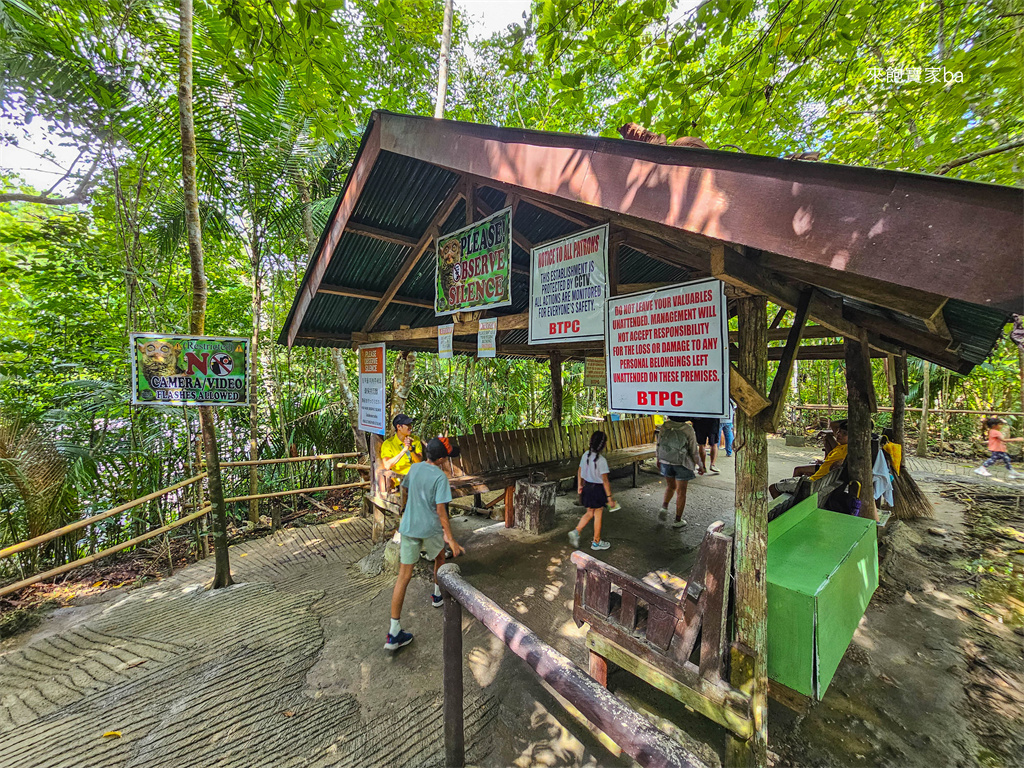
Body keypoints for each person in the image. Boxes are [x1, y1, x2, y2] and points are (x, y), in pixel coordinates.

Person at [385, 438, 465, 651]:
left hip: (409, 527)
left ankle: (394, 632)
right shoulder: (440, 476)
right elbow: (441, 512)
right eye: (446, 457)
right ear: (440, 459)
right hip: (430, 529)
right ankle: (438, 593)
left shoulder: (415, 468)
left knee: (404, 576)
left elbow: (408, 491)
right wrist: (451, 539)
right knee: (440, 558)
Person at [769, 419, 849, 498]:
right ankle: (794, 497)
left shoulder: (847, 449)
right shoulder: (841, 446)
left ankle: (790, 504)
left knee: (773, 487)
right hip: (819, 482)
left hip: (813, 484)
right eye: (839, 431)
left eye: (844, 433)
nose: (839, 434)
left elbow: (833, 424)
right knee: (785, 481)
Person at [568, 431, 616, 551]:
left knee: (590, 513)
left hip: (587, 487)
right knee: (598, 515)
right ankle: (596, 542)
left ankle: (576, 531)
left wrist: (579, 485)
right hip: (598, 490)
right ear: (603, 445)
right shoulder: (602, 460)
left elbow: (580, 471)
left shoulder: (586, 455)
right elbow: (605, 481)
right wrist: (609, 497)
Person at [657, 416, 704, 528]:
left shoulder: (665, 426)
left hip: (666, 461)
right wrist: (700, 465)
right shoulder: (688, 429)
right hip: (682, 463)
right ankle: (678, 520)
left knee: (670, 486)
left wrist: (658, 459)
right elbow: (694, 451)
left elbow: (659, 444)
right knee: (681, 492)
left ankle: (664, 507)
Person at [380, 413, 423, 482]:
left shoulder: (415, 440)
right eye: (407, 425)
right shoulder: (388, 444)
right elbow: (387, 465)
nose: (410, 427)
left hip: (416, 478)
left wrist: (411, 449)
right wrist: (404, 450)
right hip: (400, 481)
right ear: (399, 427)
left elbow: (419, 462)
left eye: (410, 424)